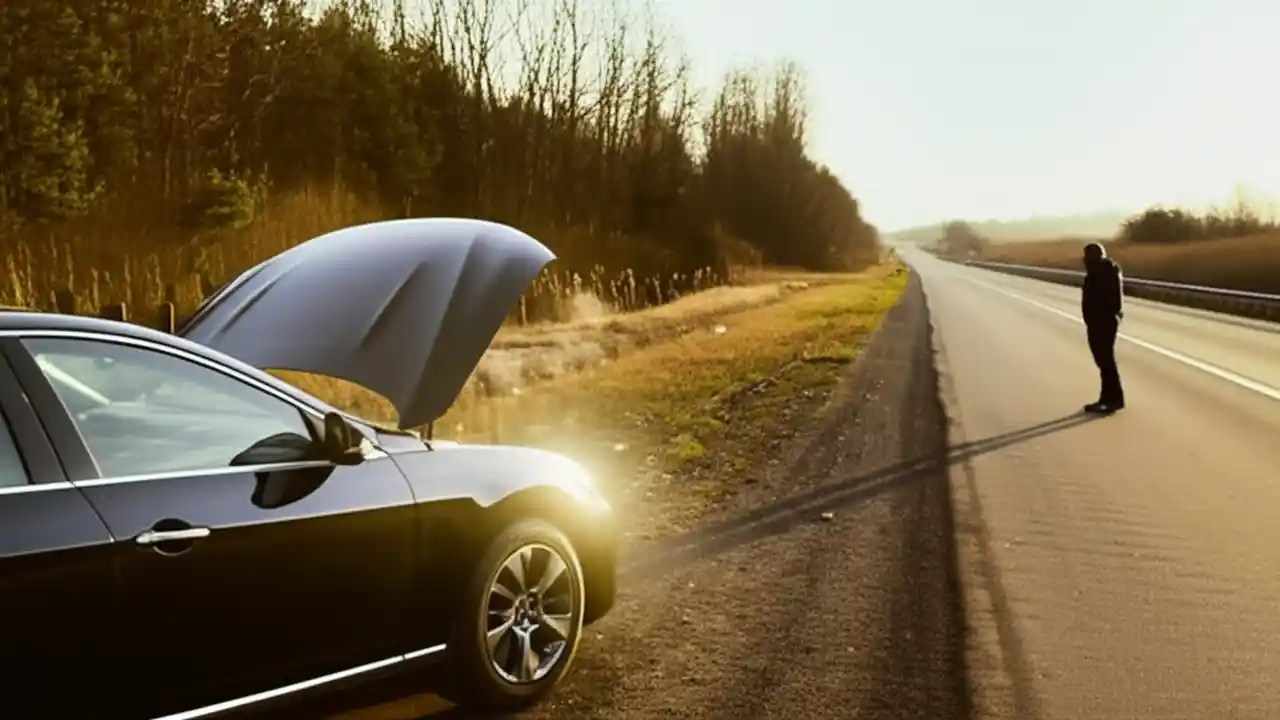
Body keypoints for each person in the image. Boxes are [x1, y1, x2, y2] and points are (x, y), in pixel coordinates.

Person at [1081, 242, 1125, 413]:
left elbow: (1110, 300)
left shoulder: (1103, 273)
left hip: (1103, 321)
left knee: (1106, 361)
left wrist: (1101, 318)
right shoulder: (1099, 272)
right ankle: (1107, 397)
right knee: (1103, 361)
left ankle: (1115, 399)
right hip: (1098, 321)